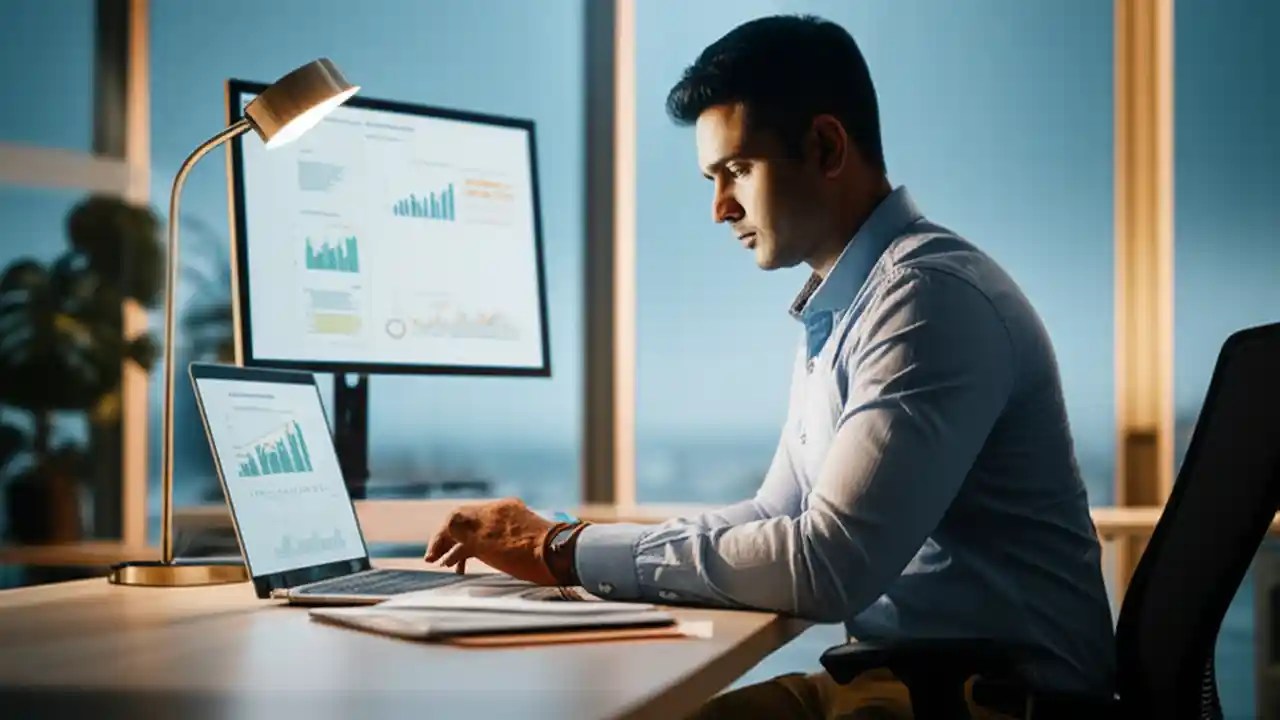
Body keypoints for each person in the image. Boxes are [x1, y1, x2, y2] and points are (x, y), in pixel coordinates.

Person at [425, 14, 1115, 719]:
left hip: (1000, 705)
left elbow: (826, 565)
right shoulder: (848, 306)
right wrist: (563, 546)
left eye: (736, 171)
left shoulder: (928, 301)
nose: (720, 208)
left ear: (824, 146)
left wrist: (564, 550)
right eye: (711, 178)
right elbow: (774, 514)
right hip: (910, 688)